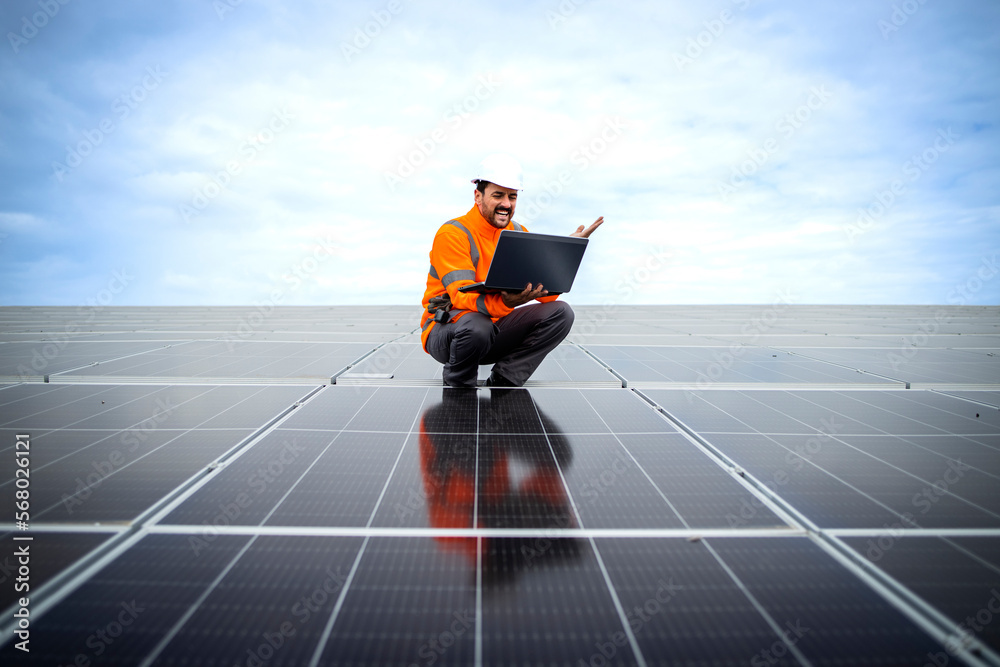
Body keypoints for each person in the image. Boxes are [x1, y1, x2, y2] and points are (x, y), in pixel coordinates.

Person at [420, 154, 604, 388]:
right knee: (478, 325)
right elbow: (461, 296)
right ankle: (459, 389)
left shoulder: (518, 233)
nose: (506, 204)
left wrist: (563, 253)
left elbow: (546, 294)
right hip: (448, 332)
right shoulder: (454, 233)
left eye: (512, 197)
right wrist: (506, 302)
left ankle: (505, 381)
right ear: (478, 196)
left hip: (493, 332)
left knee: (561, 313)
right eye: (498, 195)